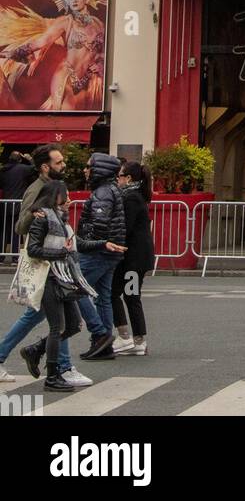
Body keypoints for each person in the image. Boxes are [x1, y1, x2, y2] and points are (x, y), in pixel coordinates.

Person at [0, 145, 92, 387]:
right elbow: (21, 226)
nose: (63, 165)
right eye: (59, 162)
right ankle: (62, 366)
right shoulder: (37, 189)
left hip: (55, 266)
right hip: (45, 266)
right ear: (45, 167)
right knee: (56, 321)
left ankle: (52, 362)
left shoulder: (54, 187)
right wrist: (35, 212)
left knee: (41, 317)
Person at [18, 180, 96, 392]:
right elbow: (33, 249)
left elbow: (73, 243)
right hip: (49, 277)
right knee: (58, 327)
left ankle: (35, 350)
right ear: (55, 196)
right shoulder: (42, 218)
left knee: (73, 324)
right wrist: (60, 253)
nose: (69, 200)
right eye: (66, 195)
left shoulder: (60, 218)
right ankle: (52, 376)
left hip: (64, 276)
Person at [76, 153, 127, 361]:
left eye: (89, 166)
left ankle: (99, 334)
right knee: (103, 296)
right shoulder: (112, 189)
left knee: (75, 288)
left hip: (99, 250)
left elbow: (99, 222)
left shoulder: (102, 192)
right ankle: (104, 344)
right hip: (111, 250)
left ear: (99, 170)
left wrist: (87, 241)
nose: (85, 170)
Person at [111, 162, 154, 355]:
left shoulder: (130, 198)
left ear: (128, 178)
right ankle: (134, 339)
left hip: (133, 259)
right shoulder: (136, 196)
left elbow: (124, 227)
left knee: (123, 295)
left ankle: (131, 338)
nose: (117, 179)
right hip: (135, 258)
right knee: (128, 295)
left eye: (120, 176)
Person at [0, 150, 33, 259]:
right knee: (17, 231)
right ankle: (15, 256)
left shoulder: (3, 169)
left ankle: (1, 256)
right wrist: (29, 159)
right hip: (18, 204)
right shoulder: (22, 169)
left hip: (5, 204)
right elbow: (36, 169)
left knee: (3, 230)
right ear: (19, 159)